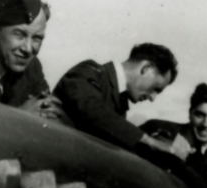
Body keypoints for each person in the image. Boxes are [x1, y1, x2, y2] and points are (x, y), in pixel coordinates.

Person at [53, 43, 190, 160]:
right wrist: (149, 141)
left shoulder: (120, 104)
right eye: (156, 88)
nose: (153, 98)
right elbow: (92, 110)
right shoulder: (89, 71)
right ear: (146, 68)